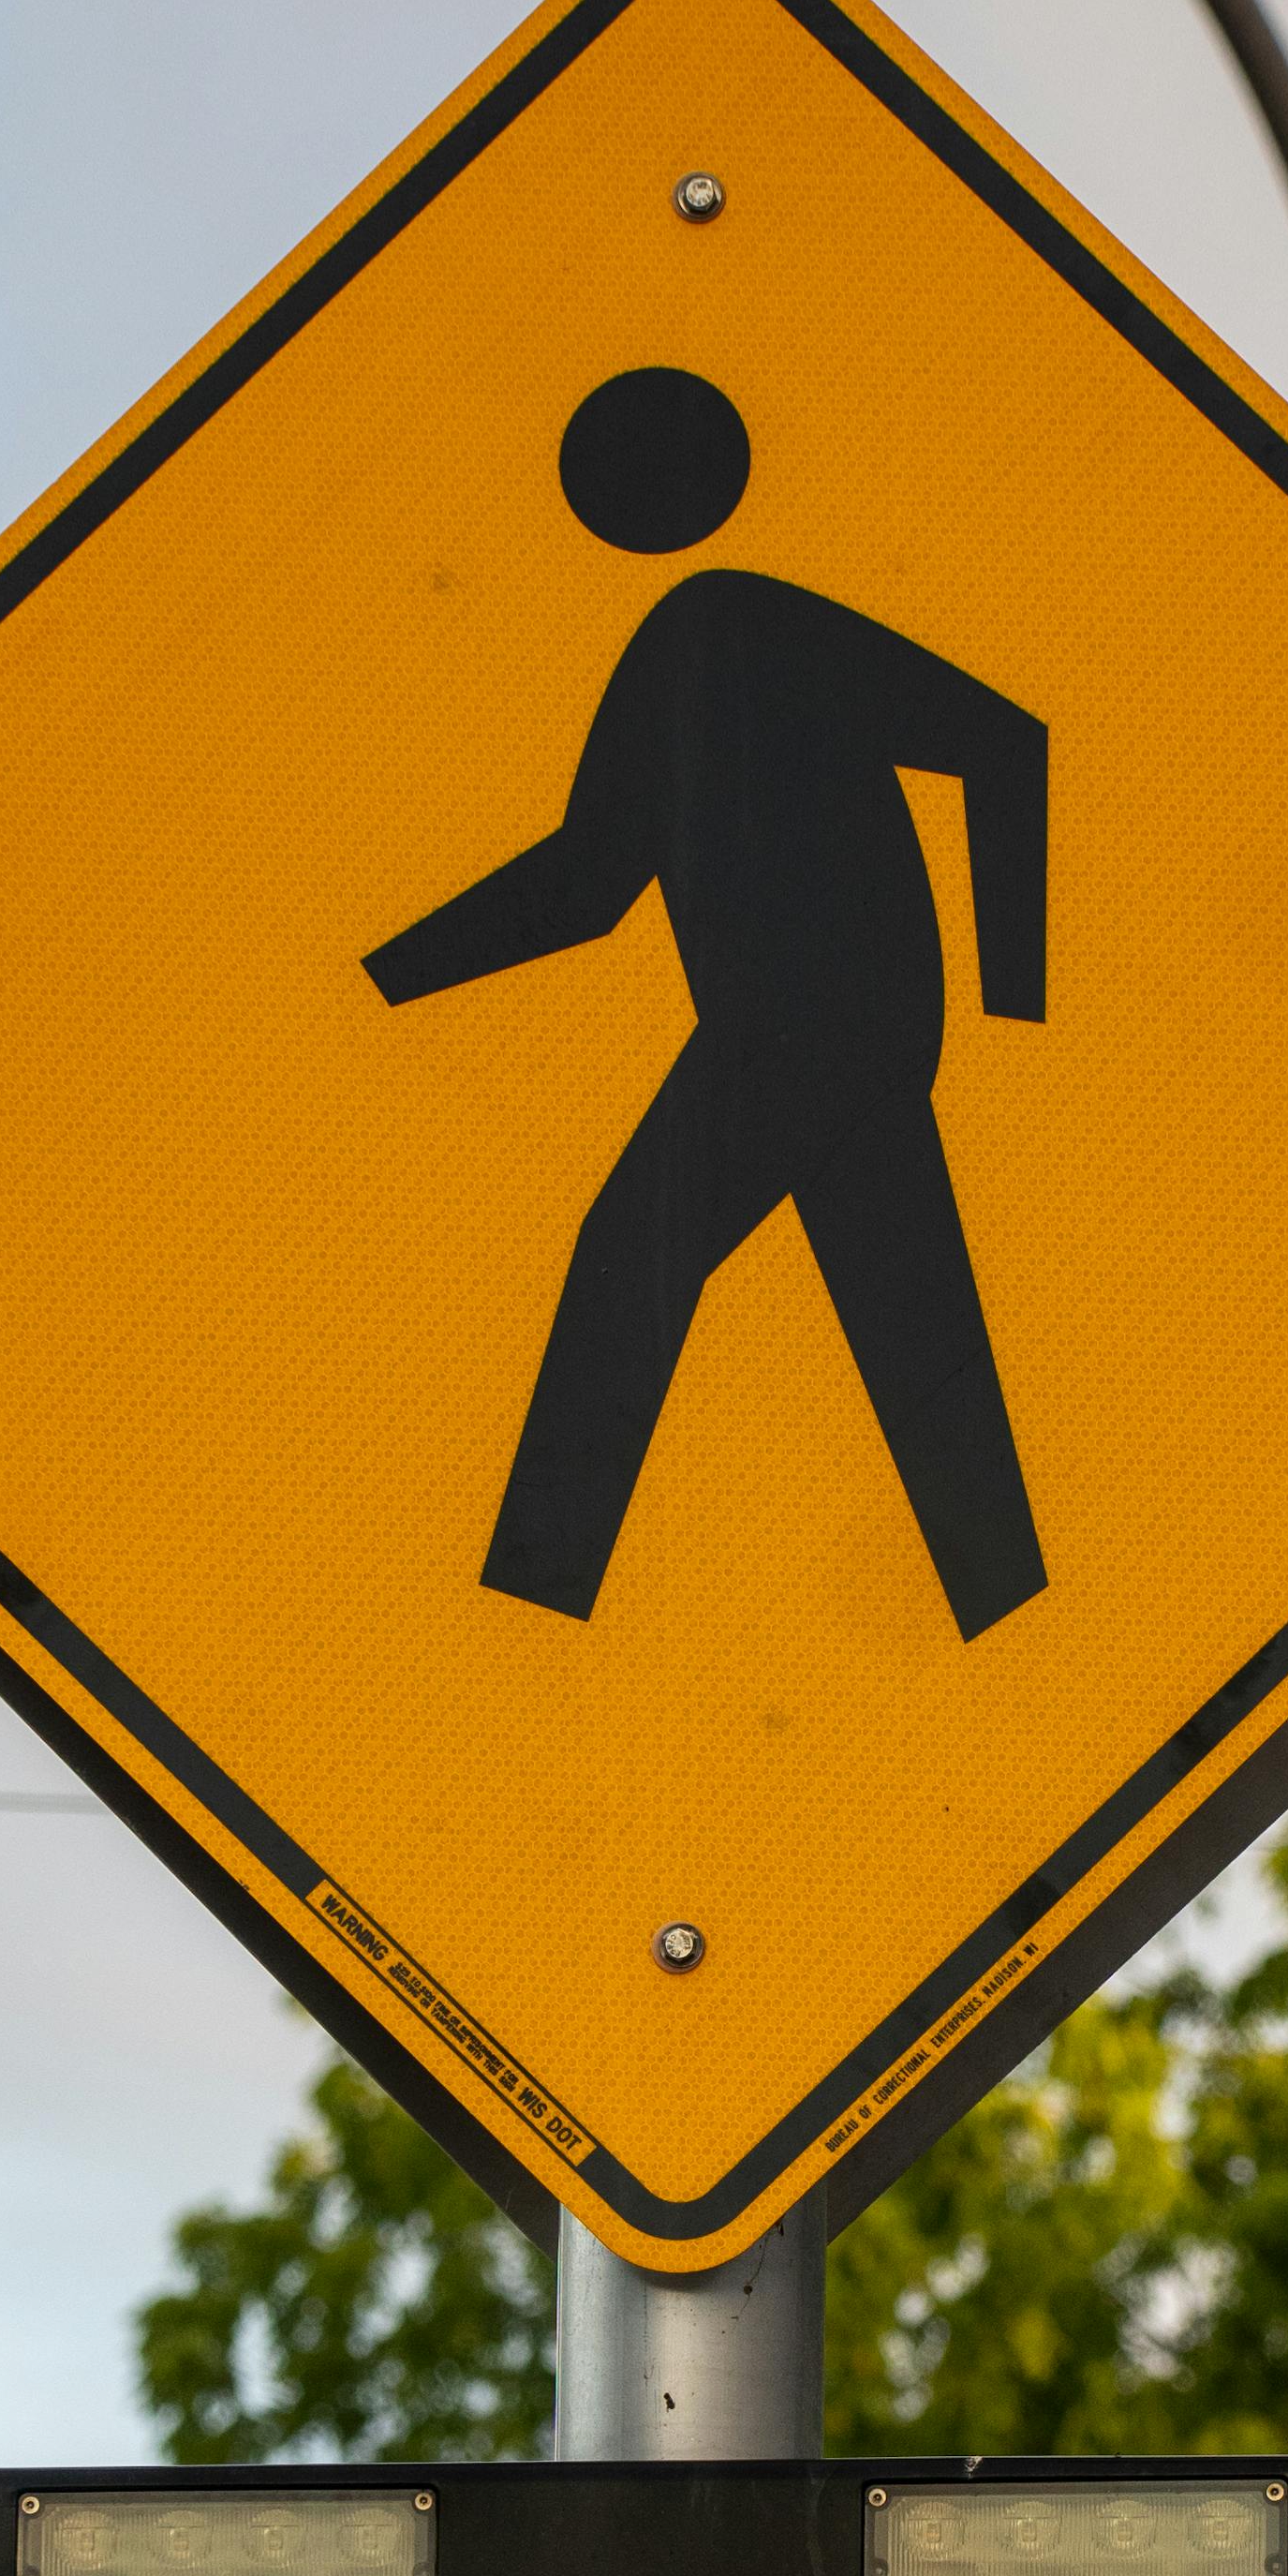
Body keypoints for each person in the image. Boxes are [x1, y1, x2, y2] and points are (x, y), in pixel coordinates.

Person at [367, 363, 1054, 1636]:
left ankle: (523, 1610)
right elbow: (589, 881)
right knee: (917, 1332)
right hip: (829, 1029)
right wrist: (386, 978)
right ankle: (1017, 1613)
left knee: (629, 1255)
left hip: (810, 1019)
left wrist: (1021, 1005)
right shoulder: (681, 642)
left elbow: (1008, 742)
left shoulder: (736, 621)